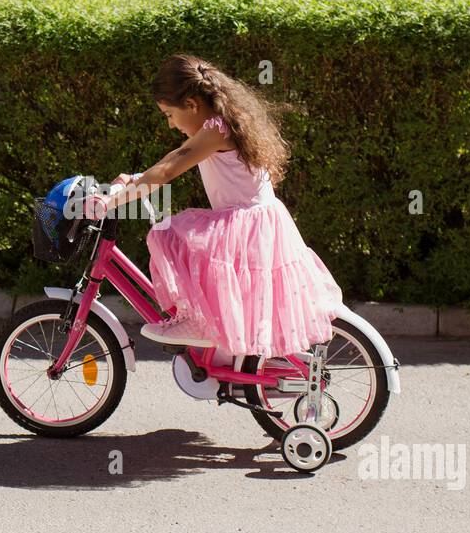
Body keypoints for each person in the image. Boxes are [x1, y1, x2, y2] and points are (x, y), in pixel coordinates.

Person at [83, 53, 344, 359]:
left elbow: (168, 171)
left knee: (169, 235)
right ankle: (207, 331)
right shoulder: (216, 126)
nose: (170, 125)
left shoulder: (215, 130)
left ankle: (196, 322)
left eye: (169, 114)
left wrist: (112, 201)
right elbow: (172, 159)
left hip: (246, 224)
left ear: (191, 104)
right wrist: (132, 180)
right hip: (255, 221)